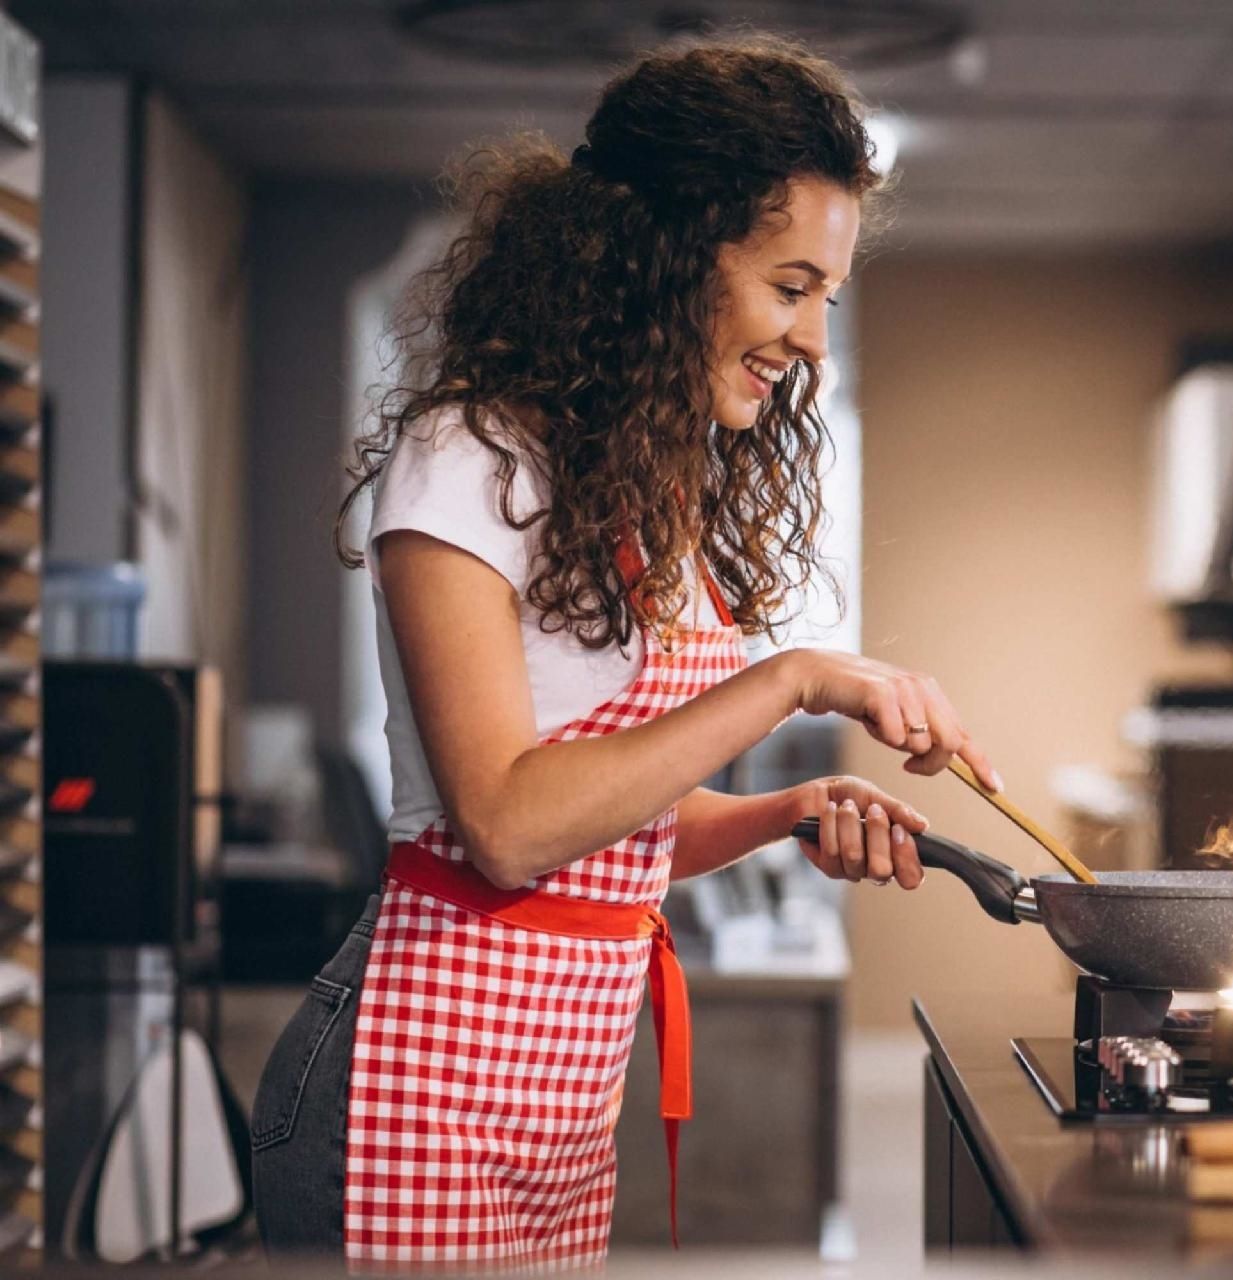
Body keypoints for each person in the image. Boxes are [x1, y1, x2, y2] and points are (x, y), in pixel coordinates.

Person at [247, 36, 997, 1271]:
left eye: (829, 297)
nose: (810, 337)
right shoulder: (469, 458)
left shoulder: (637, 490)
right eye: (788, 284)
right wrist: (797, 676)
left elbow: (614, 825)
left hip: (553, 1110)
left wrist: (789, 810)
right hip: (410, 1084)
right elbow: (505, 821)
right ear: (665, 259)